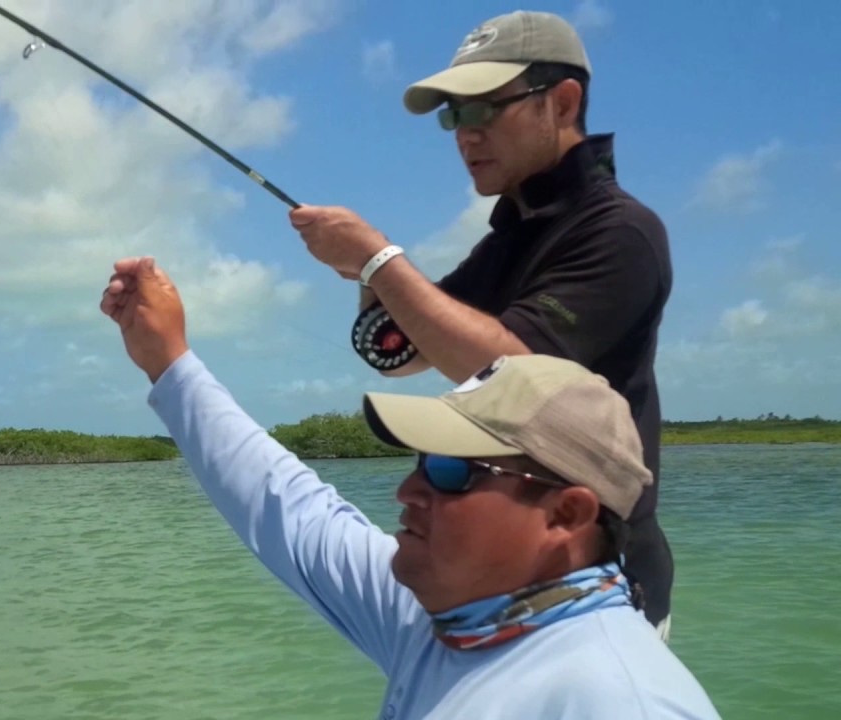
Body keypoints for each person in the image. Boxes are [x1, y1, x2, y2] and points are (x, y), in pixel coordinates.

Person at [98, 256, 719, 719]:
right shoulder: (446, 617)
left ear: (566, 514)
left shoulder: (619, 700)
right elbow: (284, 504)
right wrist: (169, 362)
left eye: (452, 472)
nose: (409, 491)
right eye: (423, 461)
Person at [286, 10, 676, 637]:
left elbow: (512, 375)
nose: (465, 136)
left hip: (596, 583)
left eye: (483, 109)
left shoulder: (621, 232)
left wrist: (378, 257)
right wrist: (368, 273)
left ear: (564, 101)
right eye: (453, 117)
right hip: (500, 579)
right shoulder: (513, 234)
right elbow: (400, 352)